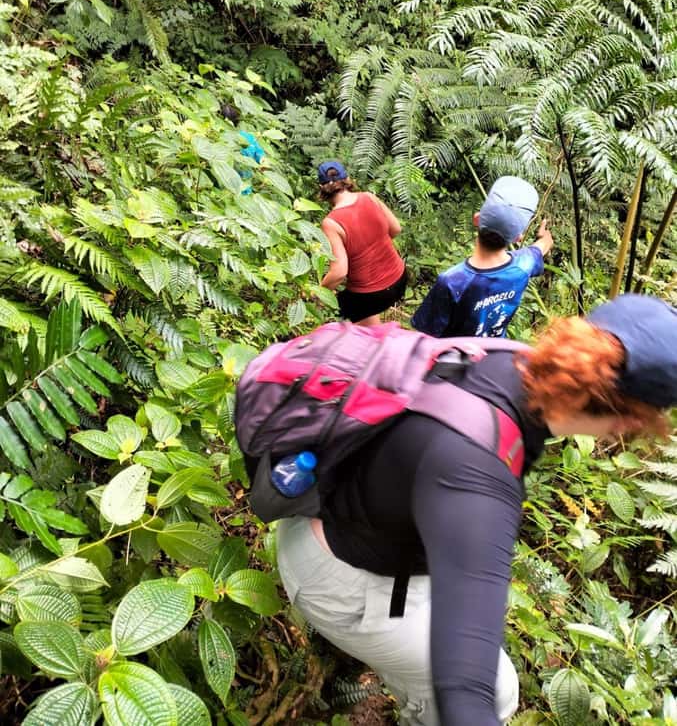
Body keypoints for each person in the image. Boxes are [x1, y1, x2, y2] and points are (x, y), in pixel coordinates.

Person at [275, 293, 676, 726]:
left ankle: (374, 665)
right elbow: (466, 689)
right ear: (628, 420)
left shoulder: (505, 360)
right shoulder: (478, 469)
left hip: (335, 514)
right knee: (499, 691)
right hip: (336, 577)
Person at [412, 176, 553, 338]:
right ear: (518, 238)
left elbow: (425, 336)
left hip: (454, 359)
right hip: (492, 356)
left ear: (477, 219)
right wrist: (543, 235)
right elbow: (543, 245)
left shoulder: (451, 281)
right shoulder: (524, 265)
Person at [318, 160, 407, 326]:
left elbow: (339, 272)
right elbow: (395, 229)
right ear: (347, 179)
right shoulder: (369, 197)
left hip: (370, 296)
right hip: (400, 279)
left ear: (321, 188)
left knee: (343, 314)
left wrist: (318, 292)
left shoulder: (331, 223)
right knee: (365, 310)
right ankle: (377, 334)